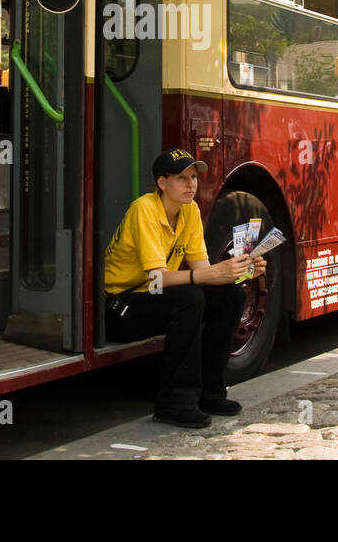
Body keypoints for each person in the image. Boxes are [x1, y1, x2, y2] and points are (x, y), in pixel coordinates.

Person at [103, 148, 267, 428]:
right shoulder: (145, 209)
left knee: (231, 296)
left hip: (153, 296)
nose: (191, 184)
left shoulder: (189, 210)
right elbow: (158, 278)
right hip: (120, 306)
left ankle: (210, 393)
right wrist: (214, 273)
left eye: (193, 177)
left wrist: (238, 270)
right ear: (162, 183)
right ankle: (173, 403)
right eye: (182, 178)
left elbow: (202, 272)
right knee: (189, 299)